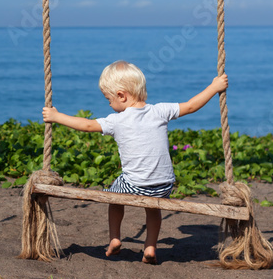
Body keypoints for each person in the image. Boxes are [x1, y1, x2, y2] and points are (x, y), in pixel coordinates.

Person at [42, 61, 227, 265]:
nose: (109, 105)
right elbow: (192, 105)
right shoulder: (160, 111)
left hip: (134, 185)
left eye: (109, 99)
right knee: (154, 209)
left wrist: (56, 116)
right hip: (164, 186)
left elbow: (86, 125)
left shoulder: (116, 120)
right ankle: (149, 248)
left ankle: (114, 239)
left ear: (122, 95)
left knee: (114, 197)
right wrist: (214, 87)